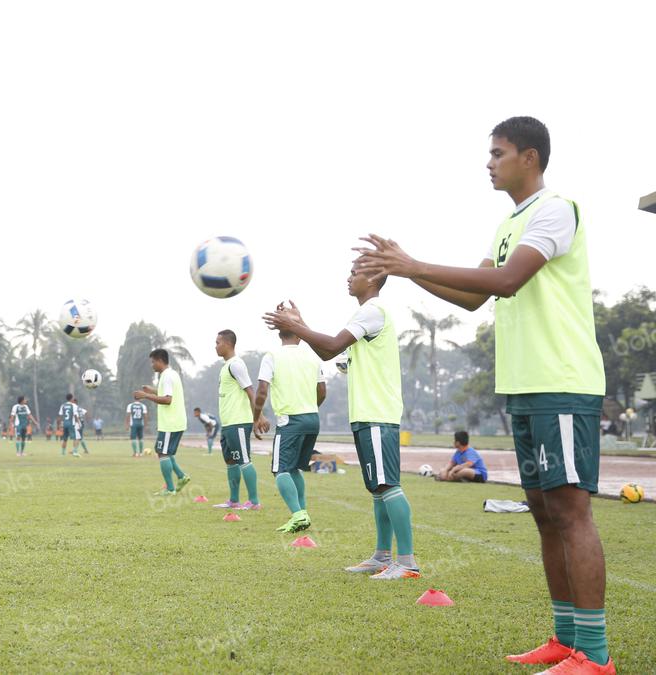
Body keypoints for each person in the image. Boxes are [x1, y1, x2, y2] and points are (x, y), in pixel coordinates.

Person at [355, 116, 612, 671]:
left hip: (561, 382)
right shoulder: (508, 224)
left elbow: (506, 282)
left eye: (497, 153)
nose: (488, 163)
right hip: (523, 387)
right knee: (545, 514)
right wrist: (406, 272)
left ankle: (594, 653)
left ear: (530, 157)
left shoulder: (554, 209)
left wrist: (412, 262)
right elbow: (474, 299)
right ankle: (566, 639)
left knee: (571, 514)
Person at [264, 268, 418, 580]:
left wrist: (295, 326)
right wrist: (300, 324)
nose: (348, 278)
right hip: (365, 414)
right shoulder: (363, 314)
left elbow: (333, 345)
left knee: (388, 485)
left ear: (373, 280)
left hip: (378, 412)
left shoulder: (373, 311)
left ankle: (408, 562)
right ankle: (381, 556)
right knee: (377, 488)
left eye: (355, 273)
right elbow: (325, 350)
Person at [255, 327, 326, 532]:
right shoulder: (312, 358)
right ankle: (302, 513)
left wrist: (256, 417)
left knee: (281, 469)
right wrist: (309, 409)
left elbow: (262, 390)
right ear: (299, 335)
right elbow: (322, 391)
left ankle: (297, 514)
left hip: (290, 420)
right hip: (312, 419)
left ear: (279, 334)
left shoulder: (272, 356)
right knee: (294, 468)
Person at [210, 330, 262, 511]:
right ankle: (233, 500)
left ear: (227, 344)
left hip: (239, 422)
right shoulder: (225, 366)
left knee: (244, 460)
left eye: (217, 342)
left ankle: (254, 501)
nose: (215, 346)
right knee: (231, 461)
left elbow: (250, 391)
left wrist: (258, 417)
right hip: (228, 424)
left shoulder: (236, 365)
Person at [133, 349, 189, 495]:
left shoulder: (167, 376)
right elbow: (165, 394)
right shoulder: (170, 374)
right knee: (166, 452)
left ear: (159, 360)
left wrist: (145, 395)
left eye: (153, 362)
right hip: (174, 421)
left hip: (171, 422)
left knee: (162, 453)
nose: (152, 365)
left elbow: (167, 400)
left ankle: (170, 489)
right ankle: (182, 477)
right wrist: (152, 390)